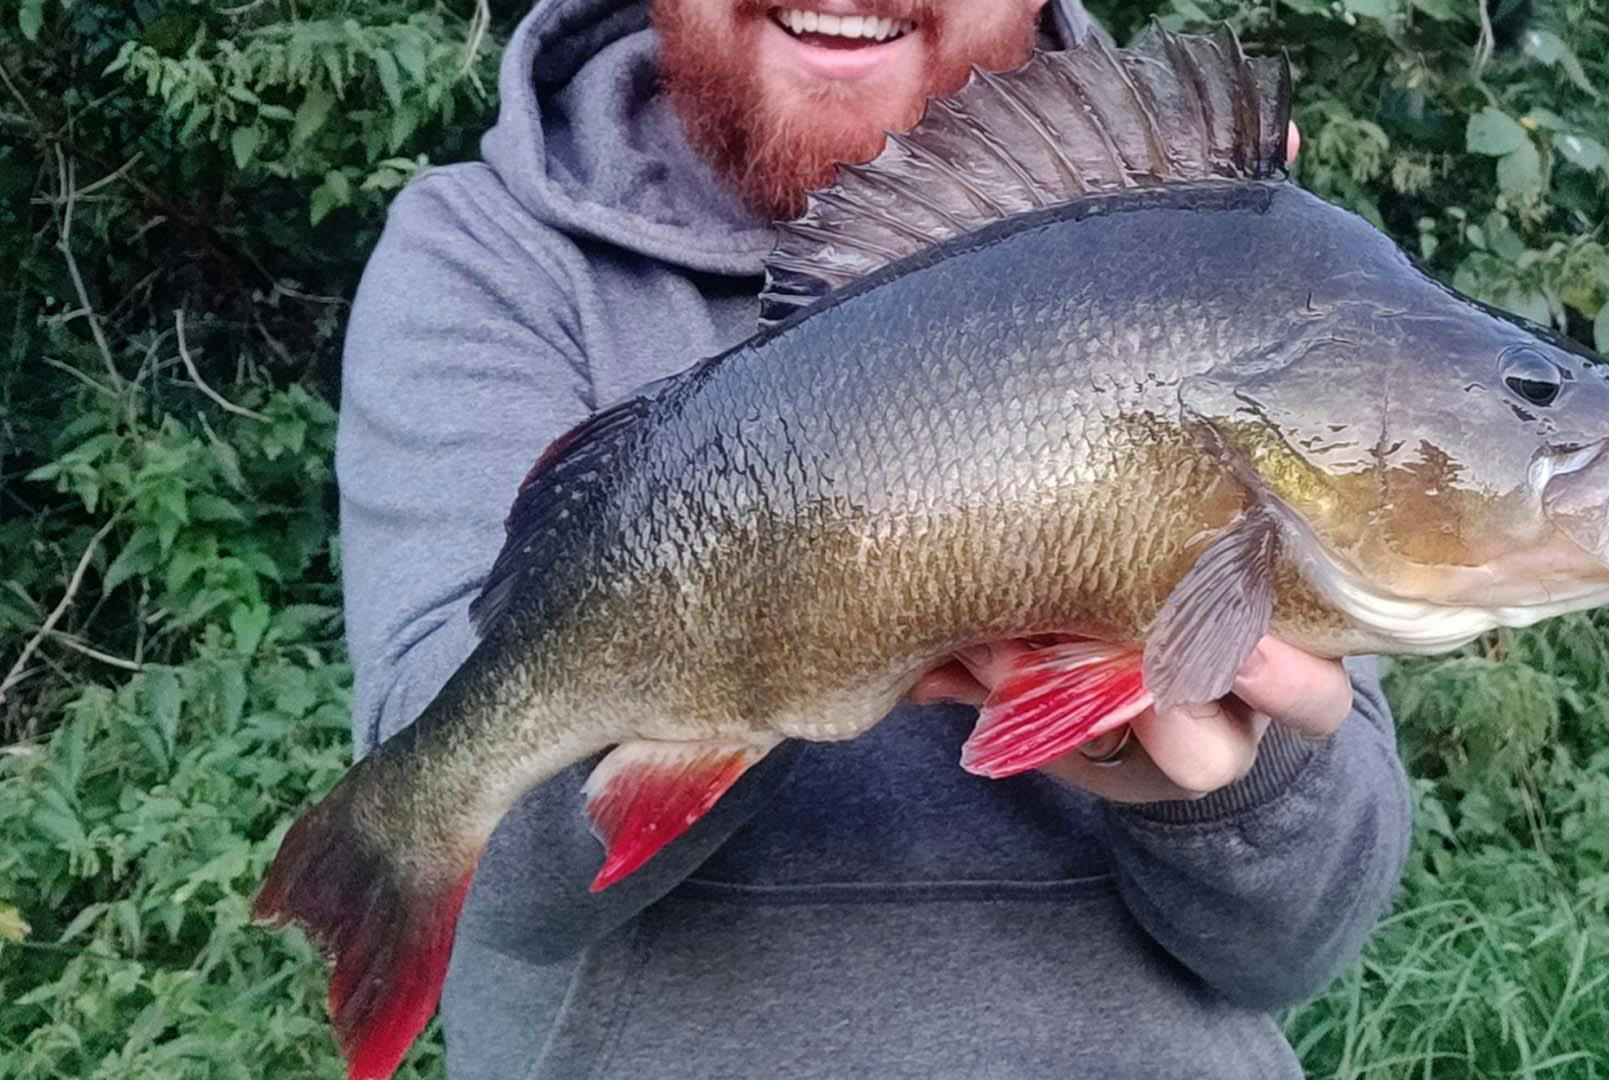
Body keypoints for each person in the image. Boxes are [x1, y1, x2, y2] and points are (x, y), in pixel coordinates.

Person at [336, 0, 1413, 1077]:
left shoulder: (1211, 242)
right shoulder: (489, 254)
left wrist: (1223, 781)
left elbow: (1299, 948)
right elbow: (482, 866)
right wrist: (778, 604)